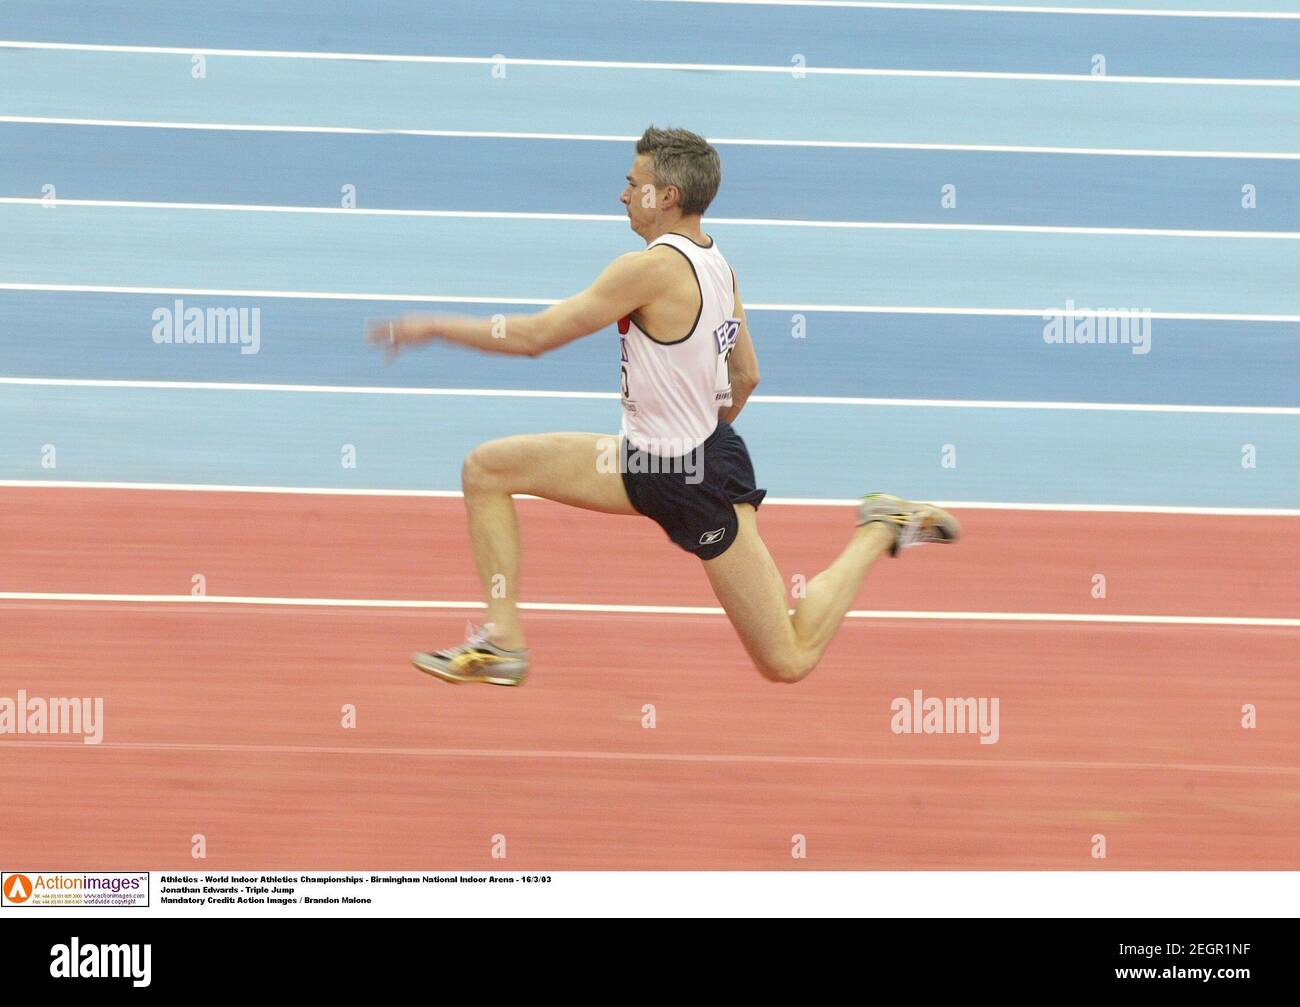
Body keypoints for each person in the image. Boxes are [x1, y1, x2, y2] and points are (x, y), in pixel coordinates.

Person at [367, 126, 960, 687]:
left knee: (788, 658)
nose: (622, 193)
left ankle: (880, 526)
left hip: (683, 480)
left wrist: (434, 326)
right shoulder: (719, 265)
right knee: (487, 469)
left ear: (667, 195)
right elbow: (747, 376)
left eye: (633, 183)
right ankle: (503, 642)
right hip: (651, 464)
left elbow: (535, 338)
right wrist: (693, 436)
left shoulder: (649, 270)